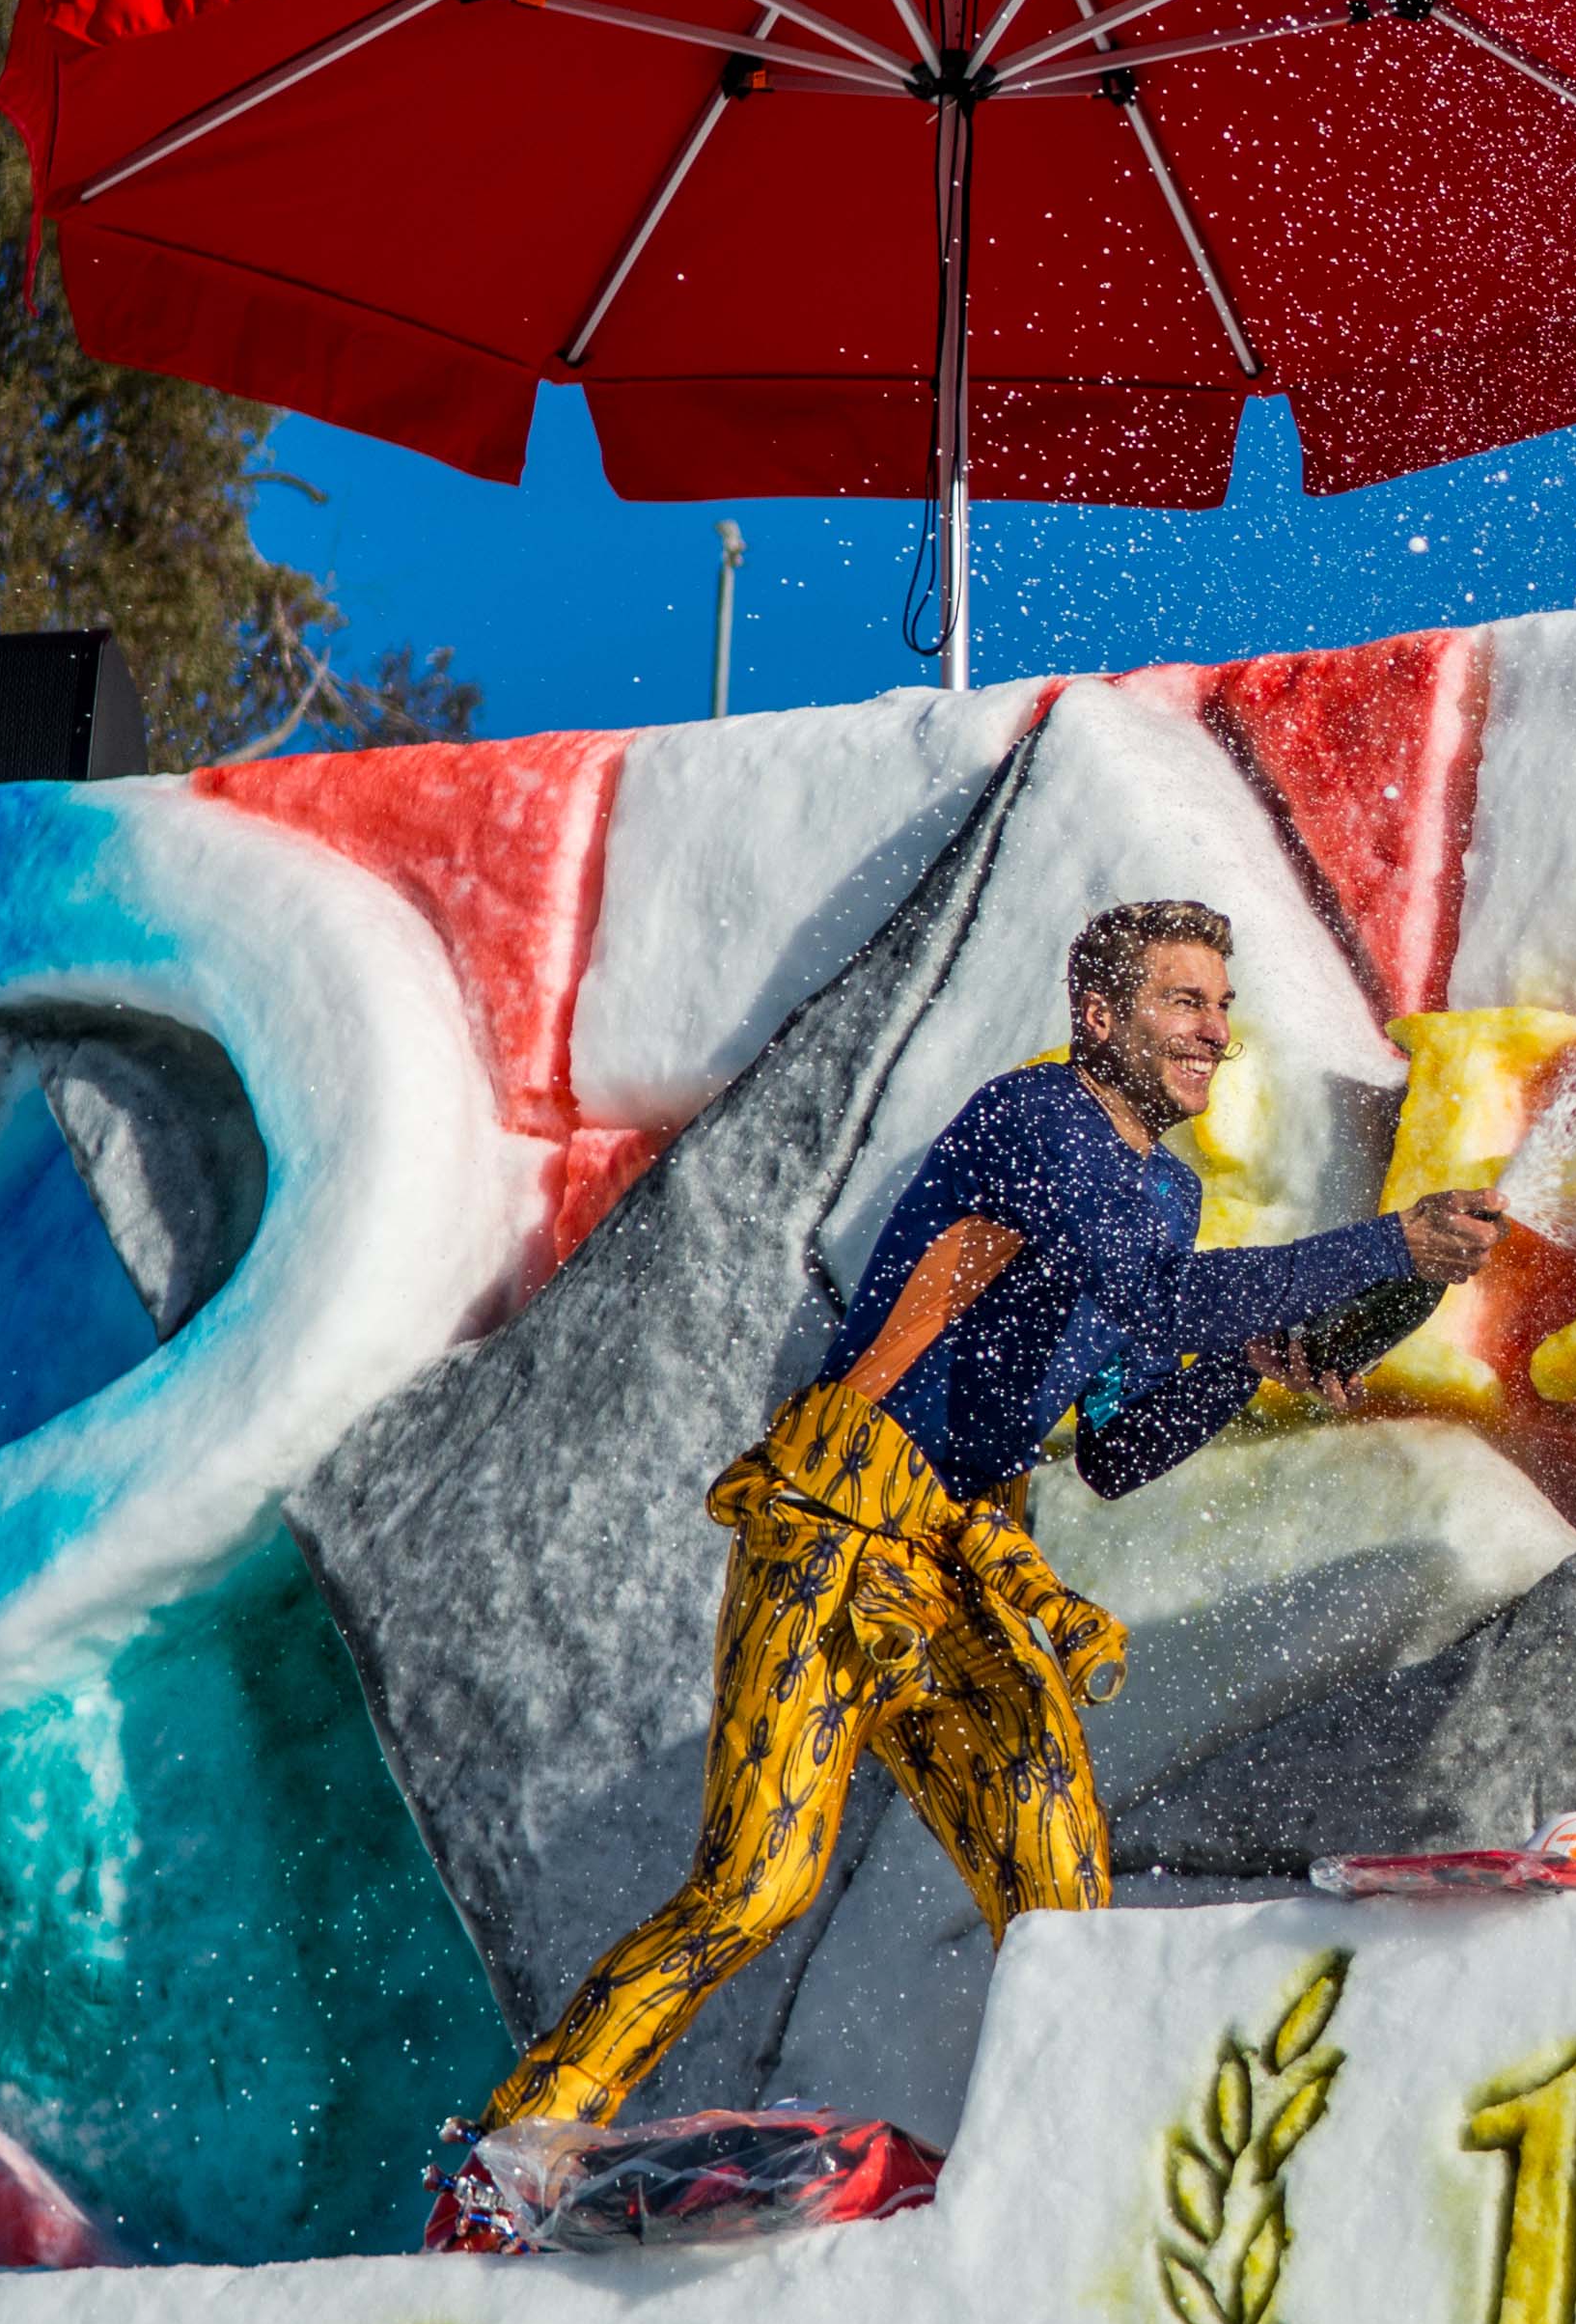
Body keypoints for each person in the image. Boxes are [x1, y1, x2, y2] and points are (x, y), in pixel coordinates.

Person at [453, 901, 1506, 2196]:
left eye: (1223, 1007)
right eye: (1184, 1002)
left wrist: (1248, 1363)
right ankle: (514, 2146)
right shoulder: (1039, 1121)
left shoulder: (1167, 1192)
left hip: (966, 1561)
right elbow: (1155, 1298)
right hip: (841, 1520)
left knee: (1058, 1896)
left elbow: (1118, 1448)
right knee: (759, 1884)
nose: (1214, 1032)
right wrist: (1390, 1243)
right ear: (1100, 1017)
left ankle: (1070, 2169)